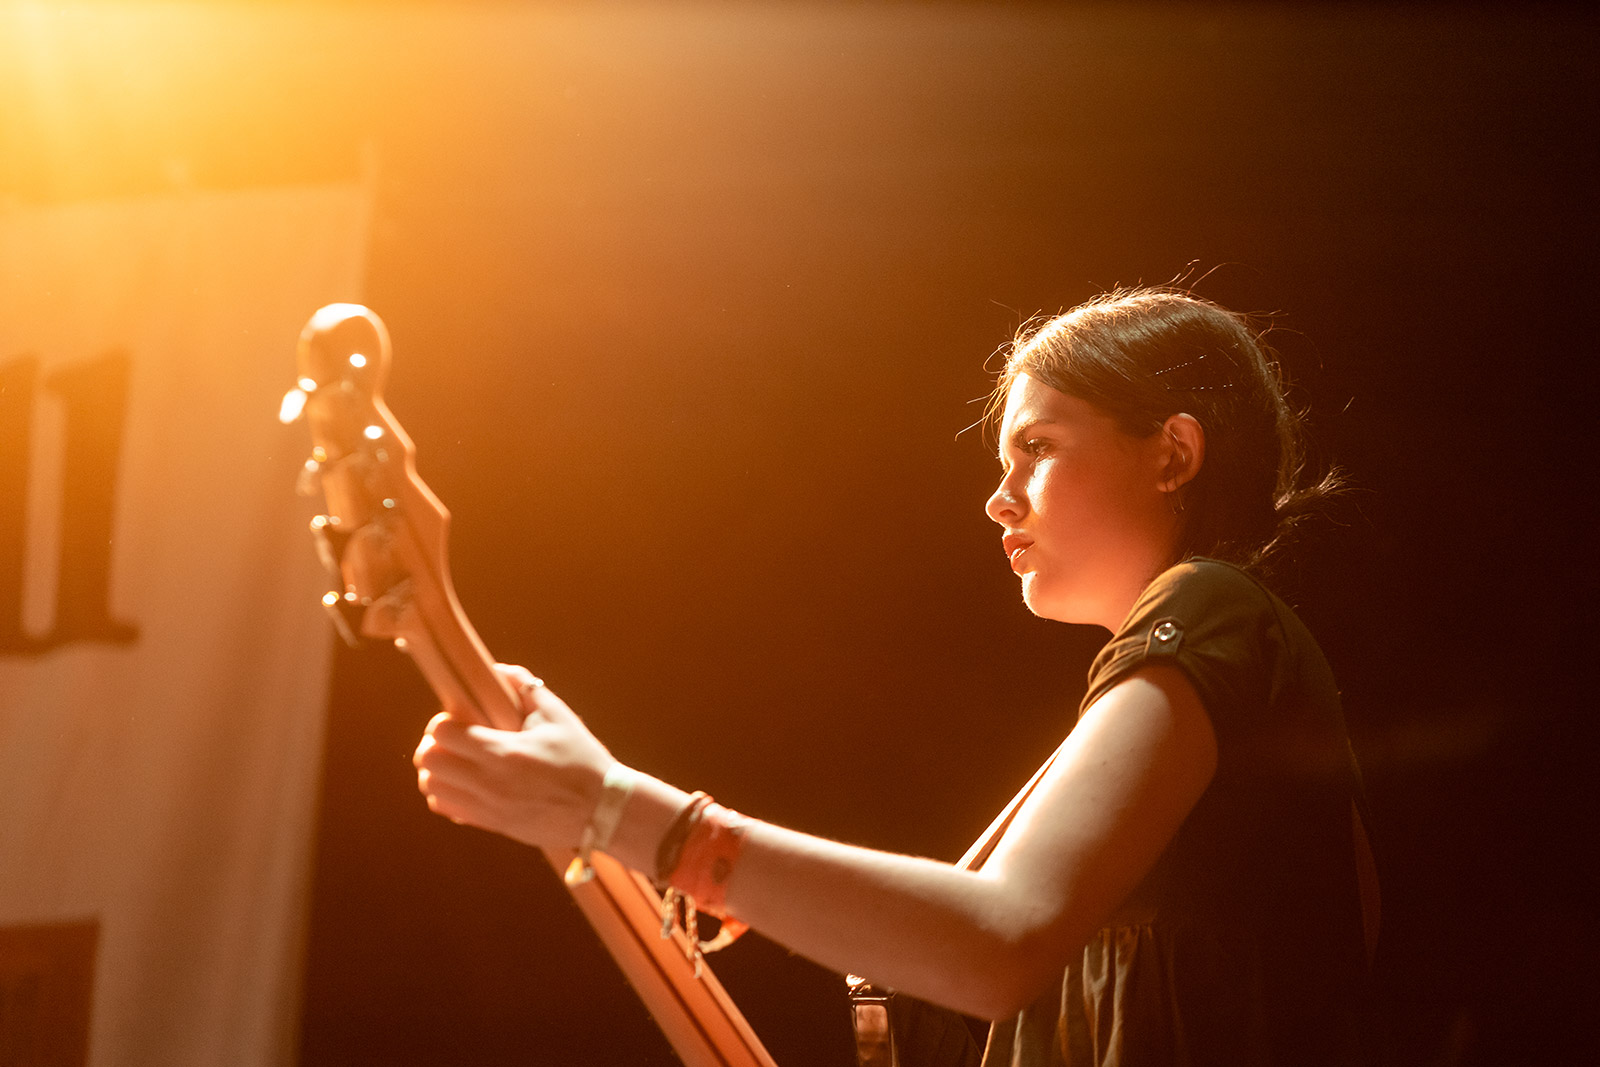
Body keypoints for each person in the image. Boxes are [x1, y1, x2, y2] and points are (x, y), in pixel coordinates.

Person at [411, 288, 1377, 1066]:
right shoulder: (1189, 668)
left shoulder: (1214, 608)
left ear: (1173, 450)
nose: (999, 499)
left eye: (1037, 449)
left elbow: (996, 942)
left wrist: (624, 809)